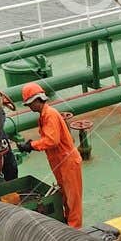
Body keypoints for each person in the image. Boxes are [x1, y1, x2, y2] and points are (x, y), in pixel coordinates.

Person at [21, 82, 83, 226]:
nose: (29, 107)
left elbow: (52, 141)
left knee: (73, 200)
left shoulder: (50, 115)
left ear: (37, 101)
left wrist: (31, 145)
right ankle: (69, 226)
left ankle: (75, 231)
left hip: (67, 162)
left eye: (29, 104)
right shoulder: (43, 116)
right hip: (60, 163)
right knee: (66, 197)